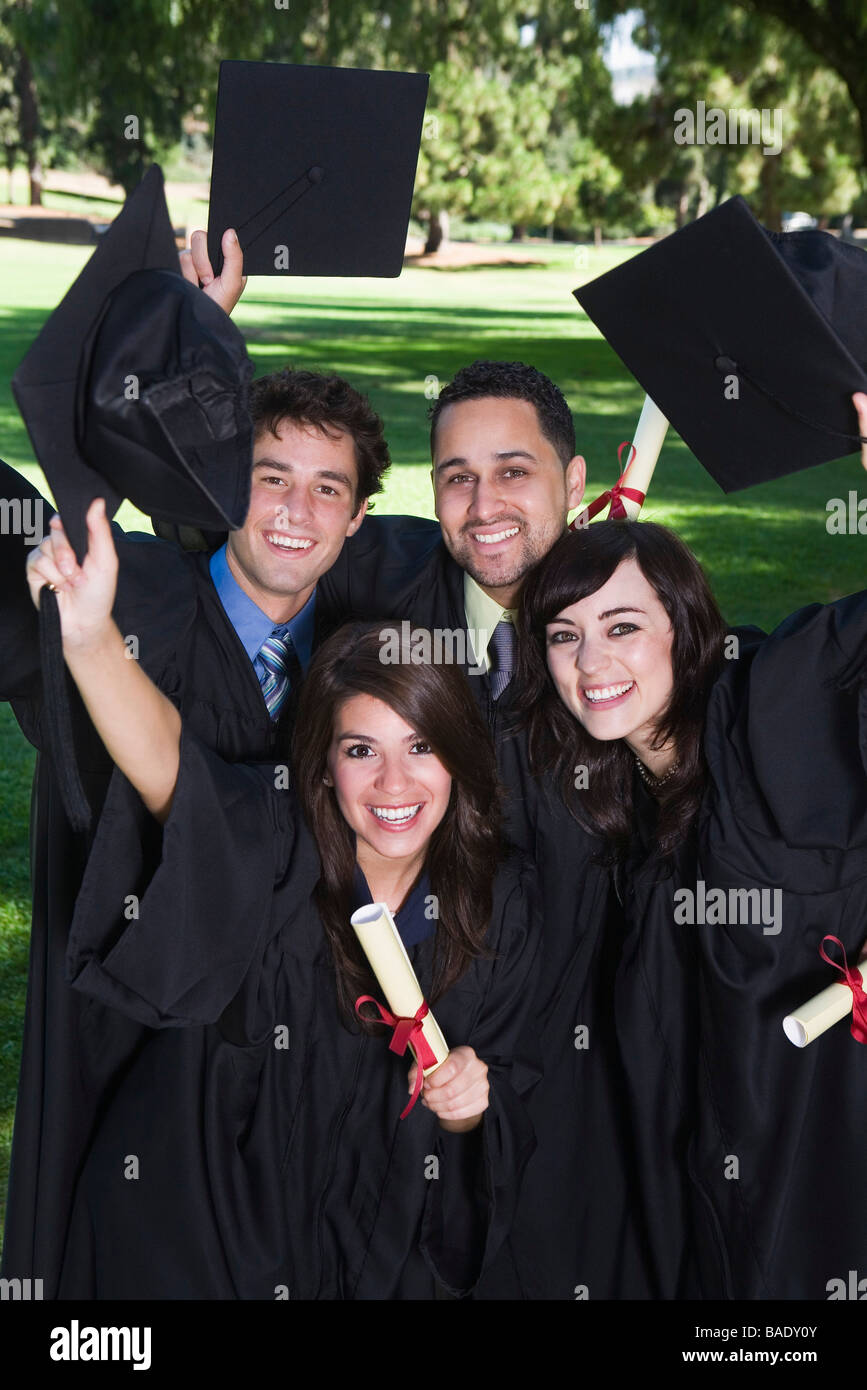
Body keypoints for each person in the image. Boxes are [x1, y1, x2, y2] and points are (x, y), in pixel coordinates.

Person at [24, 500, 539, 1298]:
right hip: (203, 1228)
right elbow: (172, 772)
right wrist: (91, 640)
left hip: (381, 1257)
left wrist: (471, 1108)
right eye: (360, 750)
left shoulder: (500, 903)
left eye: (421, 747)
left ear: (459, 760)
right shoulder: (276, 849)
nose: (393, 785)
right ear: (323, 765)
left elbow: (507, 1124)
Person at [0, 364, 390, 1295]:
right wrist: (175, 352)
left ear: (356, 521)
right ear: (224, 486)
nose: (296, 510)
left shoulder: (365, 646)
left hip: (296, 1050)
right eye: (268, 478)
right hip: (123, 1018)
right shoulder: (125, 599)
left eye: (326, 489)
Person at [320, 358, 653, 1298]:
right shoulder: (373, 590)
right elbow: (257, 541)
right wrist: (195, 351)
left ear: (575, 484)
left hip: (589, 1060)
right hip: (395, 1059)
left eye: (514, 470)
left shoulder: (632, 638)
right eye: (456, 477)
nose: (482, 502)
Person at [517, 478, 867, 1296]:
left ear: (685, 627)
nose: (590, 662)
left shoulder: (771, 711)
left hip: (832, 1170)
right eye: (564, 635)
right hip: (711, 1218)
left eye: (623, 626)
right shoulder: (620, 820)